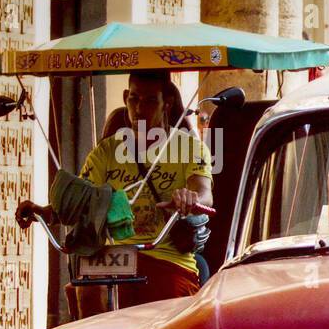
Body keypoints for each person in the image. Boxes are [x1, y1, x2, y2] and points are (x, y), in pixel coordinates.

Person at [19, 71, 213, 314]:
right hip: (115, 260)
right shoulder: (107, 151)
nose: (140, 108)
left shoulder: (190, 148)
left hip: (166, 258)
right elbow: (80, 202)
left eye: (151, 100)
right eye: (134, 99)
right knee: (86, 291)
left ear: (167, 104)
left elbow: (204, 194)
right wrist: (43, 212)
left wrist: (189, 198)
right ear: (125, 98)